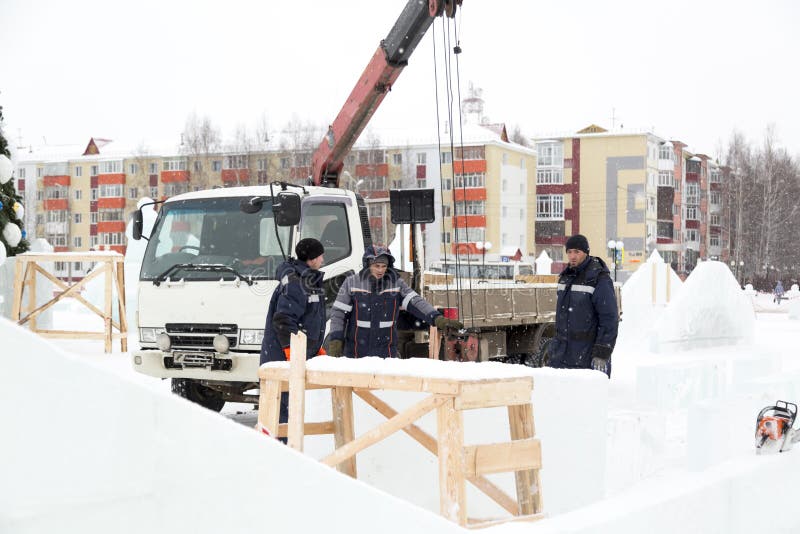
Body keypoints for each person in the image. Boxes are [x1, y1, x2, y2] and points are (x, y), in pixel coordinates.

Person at [328, 245, 463, 358]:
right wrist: (335, 340)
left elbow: (416, 302)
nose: (380, 270)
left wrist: (437, 318)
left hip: (386, 355)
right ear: (368, 264)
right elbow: (338, 314)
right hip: (356, 354)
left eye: (383, 266)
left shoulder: (396, 284)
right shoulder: (351, 283)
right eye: (377, 266)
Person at [260, 238, 327, 435]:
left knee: (289, 411)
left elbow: (308, 319)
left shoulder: (304, 278)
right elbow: (283, 320)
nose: (323, 259)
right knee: (284, 413)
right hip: (283, 359)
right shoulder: (298, 283)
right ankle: (282, 454)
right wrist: (291, 352)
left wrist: (315, 347)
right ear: (312, 259)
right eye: (320, 255)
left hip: (292, 355)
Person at [544, 234, 618, 378]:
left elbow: (609, 318)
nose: (572, 256)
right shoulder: (565, 277)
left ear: (586, 253)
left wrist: (602, 353)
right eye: (569, 252)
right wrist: (554, 351)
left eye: (577, 252)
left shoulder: (598, 278)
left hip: (586, 355)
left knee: (587, 399)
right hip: (561, 355)